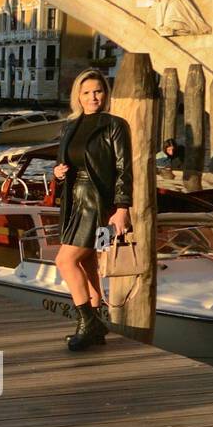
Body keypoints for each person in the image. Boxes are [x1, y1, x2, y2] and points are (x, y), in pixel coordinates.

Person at [52, 69, 132, 351]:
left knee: (65, 261)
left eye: (97, 91)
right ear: (78, 96)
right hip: (74, 199)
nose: (92, 97)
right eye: (86, 92)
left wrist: (121, 209)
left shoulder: (115, 125)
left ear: (105, 94)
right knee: (87, 263)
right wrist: (59, 172)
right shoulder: (70, 126)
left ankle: (88, 321)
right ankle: (94, 326)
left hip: (98, 201)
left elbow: (124, 170)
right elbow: (68, 162)